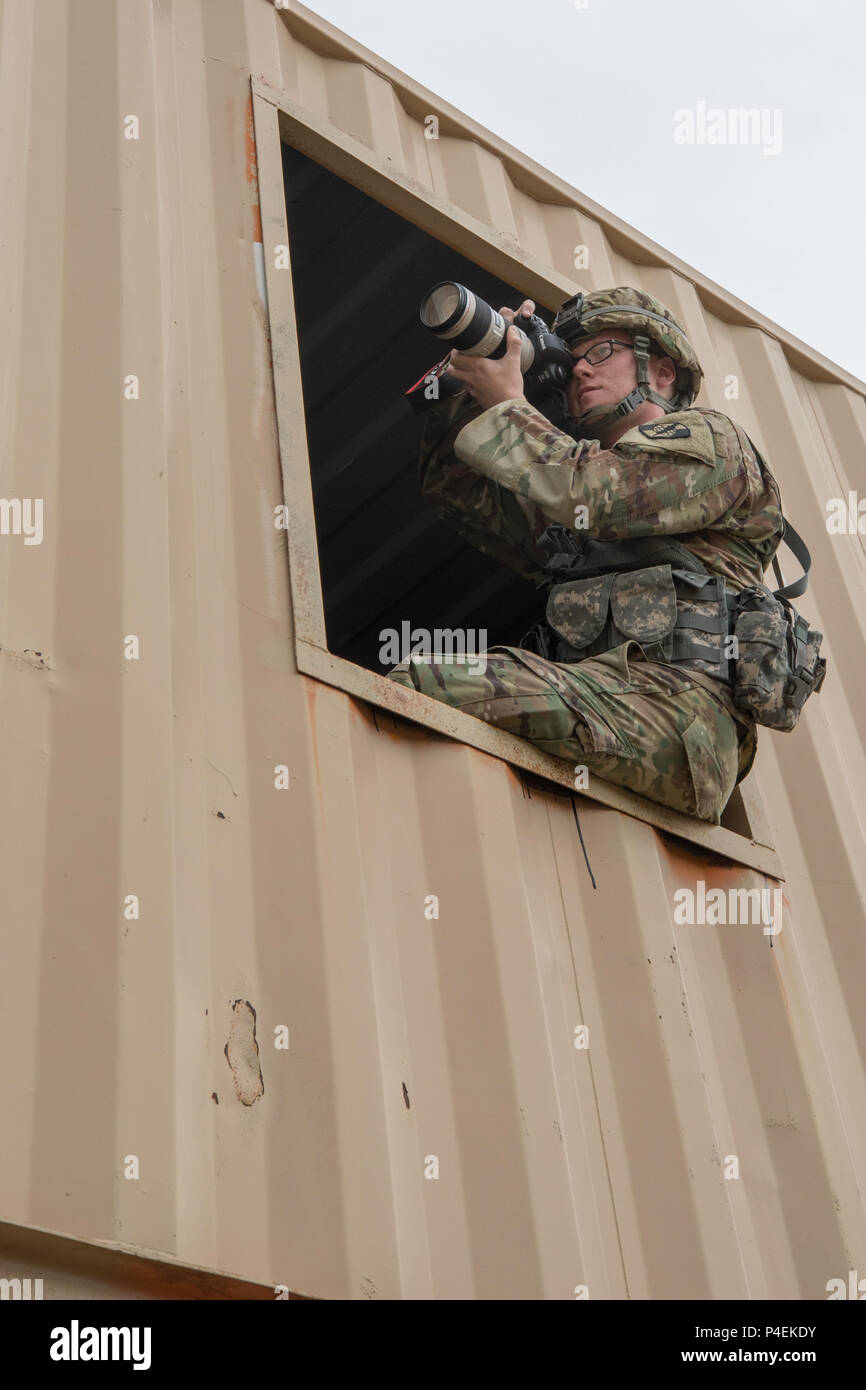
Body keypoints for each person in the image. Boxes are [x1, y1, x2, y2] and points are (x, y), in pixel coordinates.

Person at [387, 287, 785, 824]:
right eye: (570, 362)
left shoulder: (712, 441)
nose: (579, 372)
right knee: (420, 677)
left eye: (601, 353)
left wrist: (510, 406)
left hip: (679, 718)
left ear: (662, 372)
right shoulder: (575, 499)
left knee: (432, 680)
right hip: (605, 702)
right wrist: (468, 386)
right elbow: (458, 492)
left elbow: (594, 494)